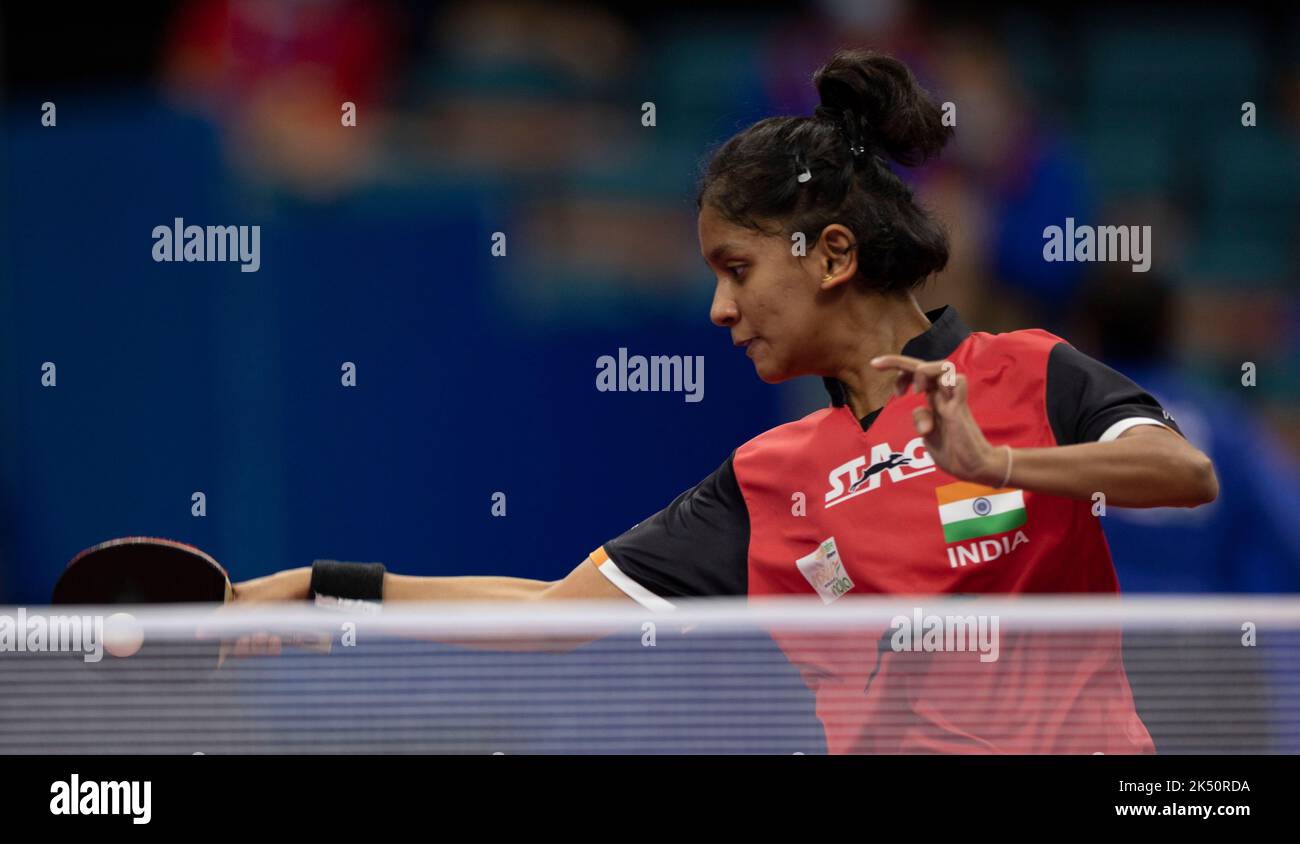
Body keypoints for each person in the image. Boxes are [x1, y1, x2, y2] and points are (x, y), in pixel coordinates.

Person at [231, 50, 1217, 753]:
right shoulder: (769, 480)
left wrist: (998, 465)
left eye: (737, 269)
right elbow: (546, 612)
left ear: (831, 255)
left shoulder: (1027, 372)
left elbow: (1180, 471)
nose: (718, 307)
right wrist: (318, 583)